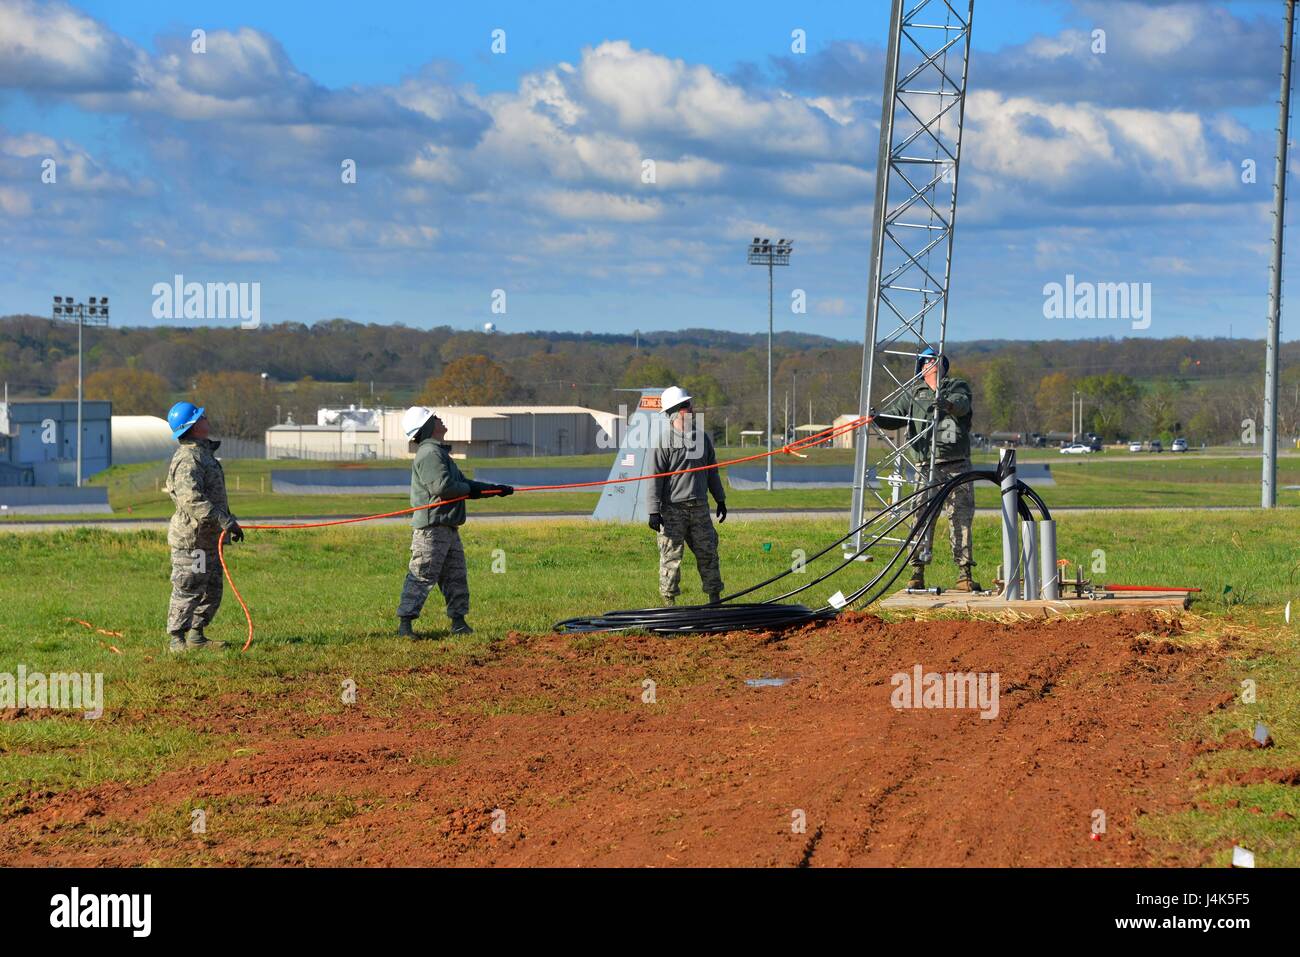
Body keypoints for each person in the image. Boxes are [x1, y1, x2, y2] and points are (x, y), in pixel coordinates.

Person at [396, 406, 513, 639]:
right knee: (421, 575)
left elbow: (462, 484)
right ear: (428, 427)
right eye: (434, 417)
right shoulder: (430, 454)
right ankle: (405, 626)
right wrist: (470, 490)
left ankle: (459, 623)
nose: (439, 419)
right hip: (432, 529)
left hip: (447, 527)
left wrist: (493, 490)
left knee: (455, 576)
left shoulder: (439, 453)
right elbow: (443, 488)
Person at [872, 348, 982, 592]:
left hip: (957, 465)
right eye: (926, 361)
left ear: (942, 365)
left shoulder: (956, 386)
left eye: (934, 361)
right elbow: (895, 417)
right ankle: (917, 571)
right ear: (921, 367)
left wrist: (948, 404)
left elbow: (962, 405)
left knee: (960, 518)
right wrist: (877, 417)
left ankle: (964, 574)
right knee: (922, 517)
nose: (930, 365)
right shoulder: (913, 393)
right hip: (925, 466)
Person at [164, 402, 243, 652]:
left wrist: (227, 523)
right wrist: (224, 520)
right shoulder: (188, 458)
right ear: (193, 426)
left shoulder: (203, 453)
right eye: (201, 417)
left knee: (211, 589)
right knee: (190, 586)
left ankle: (197, 637)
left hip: (210, 540)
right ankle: (177, 639)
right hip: (194, 541)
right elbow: (191, 499)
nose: (206, 419)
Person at [645, 385, 727, 606]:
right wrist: (654, 511)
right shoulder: (663, 442)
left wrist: (720, 499)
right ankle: (669, 604)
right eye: (686, 406)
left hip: (700, 508)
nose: (691, 409)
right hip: (673, 510)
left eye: (689, 405)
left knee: (708, 554)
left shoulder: (703, 439)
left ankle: (714, 600)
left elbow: (712, 471)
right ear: (675, 411)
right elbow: (655, 477)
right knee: (671, 559)